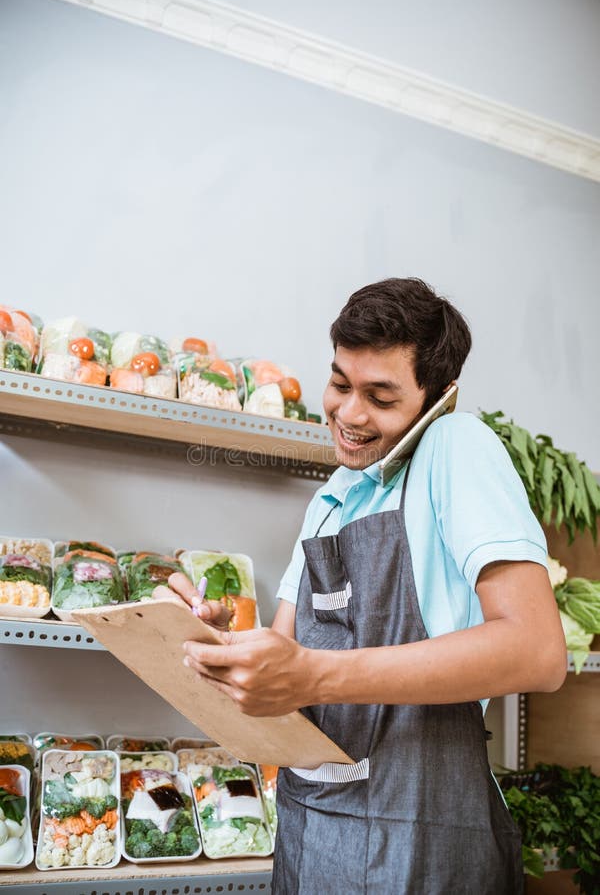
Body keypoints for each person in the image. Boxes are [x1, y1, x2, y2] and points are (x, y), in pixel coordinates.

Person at [166, 278, 567, 894]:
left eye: (380, 396)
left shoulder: (454, 447)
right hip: (312, 836)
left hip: (422, 841)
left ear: (439, 397)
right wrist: (224, 645)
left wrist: (314, 674)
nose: (350, 414)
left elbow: (537, 651)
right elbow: (286, 670)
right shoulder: (331, 498)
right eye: (340, 384)